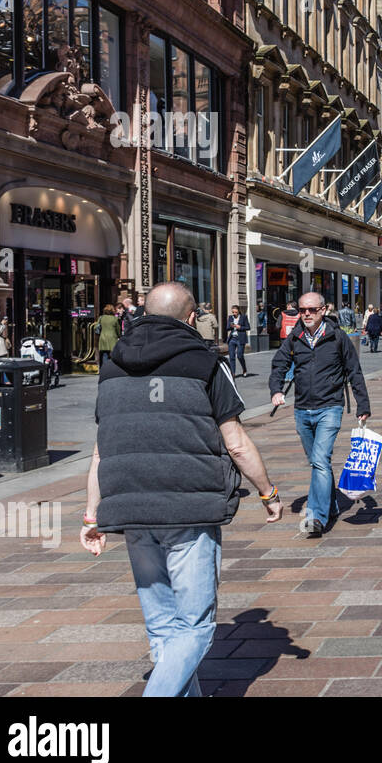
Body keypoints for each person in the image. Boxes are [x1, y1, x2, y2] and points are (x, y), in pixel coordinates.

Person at [81, 281, 282, 697]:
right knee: (195, 627)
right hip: (190, 508)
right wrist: (268, 493)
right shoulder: (206, 363)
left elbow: (102, 451)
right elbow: (236, 442)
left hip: (133, 508)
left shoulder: (112, 367)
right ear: (192, 318)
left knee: (161, 625)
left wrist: (91, 514)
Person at [269, 291, 370, 537]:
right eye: (302, 310)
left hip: (330, 407)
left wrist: (363, 405)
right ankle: (332, 505)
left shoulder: (337, 337)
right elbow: (279, 364)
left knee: (320, 460)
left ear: (323, 310)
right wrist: (276, 389)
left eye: (311, 310)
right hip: (302, 409)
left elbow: (354, 371)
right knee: (318, 462)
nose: (306, 314)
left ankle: (316, 517)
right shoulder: (295, 337)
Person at [93, 304, 121, 371]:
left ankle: (104, 369)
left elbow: (95, 327)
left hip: (103, 338)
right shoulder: (115, 319)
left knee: (104, 354)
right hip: (112, 338)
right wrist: (119, 336)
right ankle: (111, 369)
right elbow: (118, 329)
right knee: (112, 355)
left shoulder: (101, 318)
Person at [225, 304, 250, 377]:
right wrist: (231, 326)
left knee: (239, 355)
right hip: (232, 339)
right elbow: (227, 328)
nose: (234, 314)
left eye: (235, 312)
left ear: (239, 311)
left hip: (240, 339)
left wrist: (240, 327)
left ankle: (244, 369)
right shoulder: (230, 317)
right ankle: (233, 373)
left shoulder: (244, 317)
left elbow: (248, 327)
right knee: (231, 357)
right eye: (233, 312)